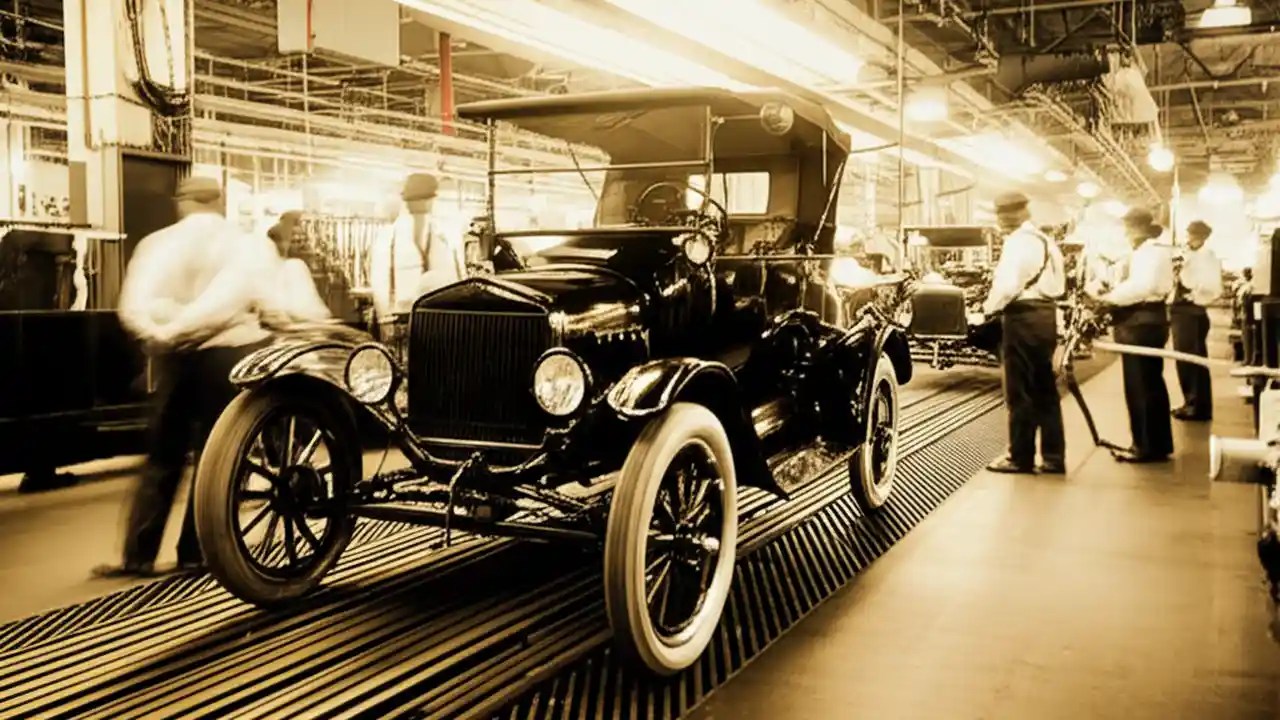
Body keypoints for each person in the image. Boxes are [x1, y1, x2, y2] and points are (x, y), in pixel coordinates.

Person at [94, 176, 277, 578]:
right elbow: (236, 302)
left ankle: (139, 556)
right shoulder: (244, 244)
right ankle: (195, 552)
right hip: (228, 357)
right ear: (220, 201)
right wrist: (189, 327)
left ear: (182, 203)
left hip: (177, 360)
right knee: (215, 457)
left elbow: (133, 306)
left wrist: (161, 333)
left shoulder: (158, 244)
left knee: (162, 456)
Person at [979, 191, 1067, 474]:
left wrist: (987, 310)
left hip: (1024, 317)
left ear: (1018, 213)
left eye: (1003, 214)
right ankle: (1053, 457)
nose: (1000, 220)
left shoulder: (1019, 242)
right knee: (1045, 390)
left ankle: (1020, 457)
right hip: (1045, 316)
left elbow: (1007, 286)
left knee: (1020, 391)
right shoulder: (1045, 241)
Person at [1097, 208, 1175, 463]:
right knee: (1150, 383)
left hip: (1140, 321)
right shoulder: (1150, 252)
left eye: (1128, 228)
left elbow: (1143, 286)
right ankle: (1156, 443)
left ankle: (1146, 446)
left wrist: (1108, 299)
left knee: (1140, 386)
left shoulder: (1148, 253)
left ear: (1137, 229)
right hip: (1148, 319)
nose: (1127, 233)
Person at [369, 173, 462, 320]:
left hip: (403, 321)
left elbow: (379, 289)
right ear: (431, 200)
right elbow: (454, 284)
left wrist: (384, 319)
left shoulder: (386, 239)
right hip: (431, 320)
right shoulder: (443, 237)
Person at [1169, 220, 1223, 421]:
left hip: (1191, 312)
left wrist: (1192, 291)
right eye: (1189, 233)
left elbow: (1210, 286)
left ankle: (1196, 405)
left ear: (1202, 237)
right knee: (1188, 360)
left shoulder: (1206, 257)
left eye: (1192, 235)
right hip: (1185, 312)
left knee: (1190, 360)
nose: (1189, 238)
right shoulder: (1192, 255)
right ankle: (1192, 402)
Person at [264, 210, 332, 323]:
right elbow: (304, 310)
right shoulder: (293, 266)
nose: (301, 244)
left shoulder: (293, 265)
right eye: (295, 240)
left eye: (303, 240)